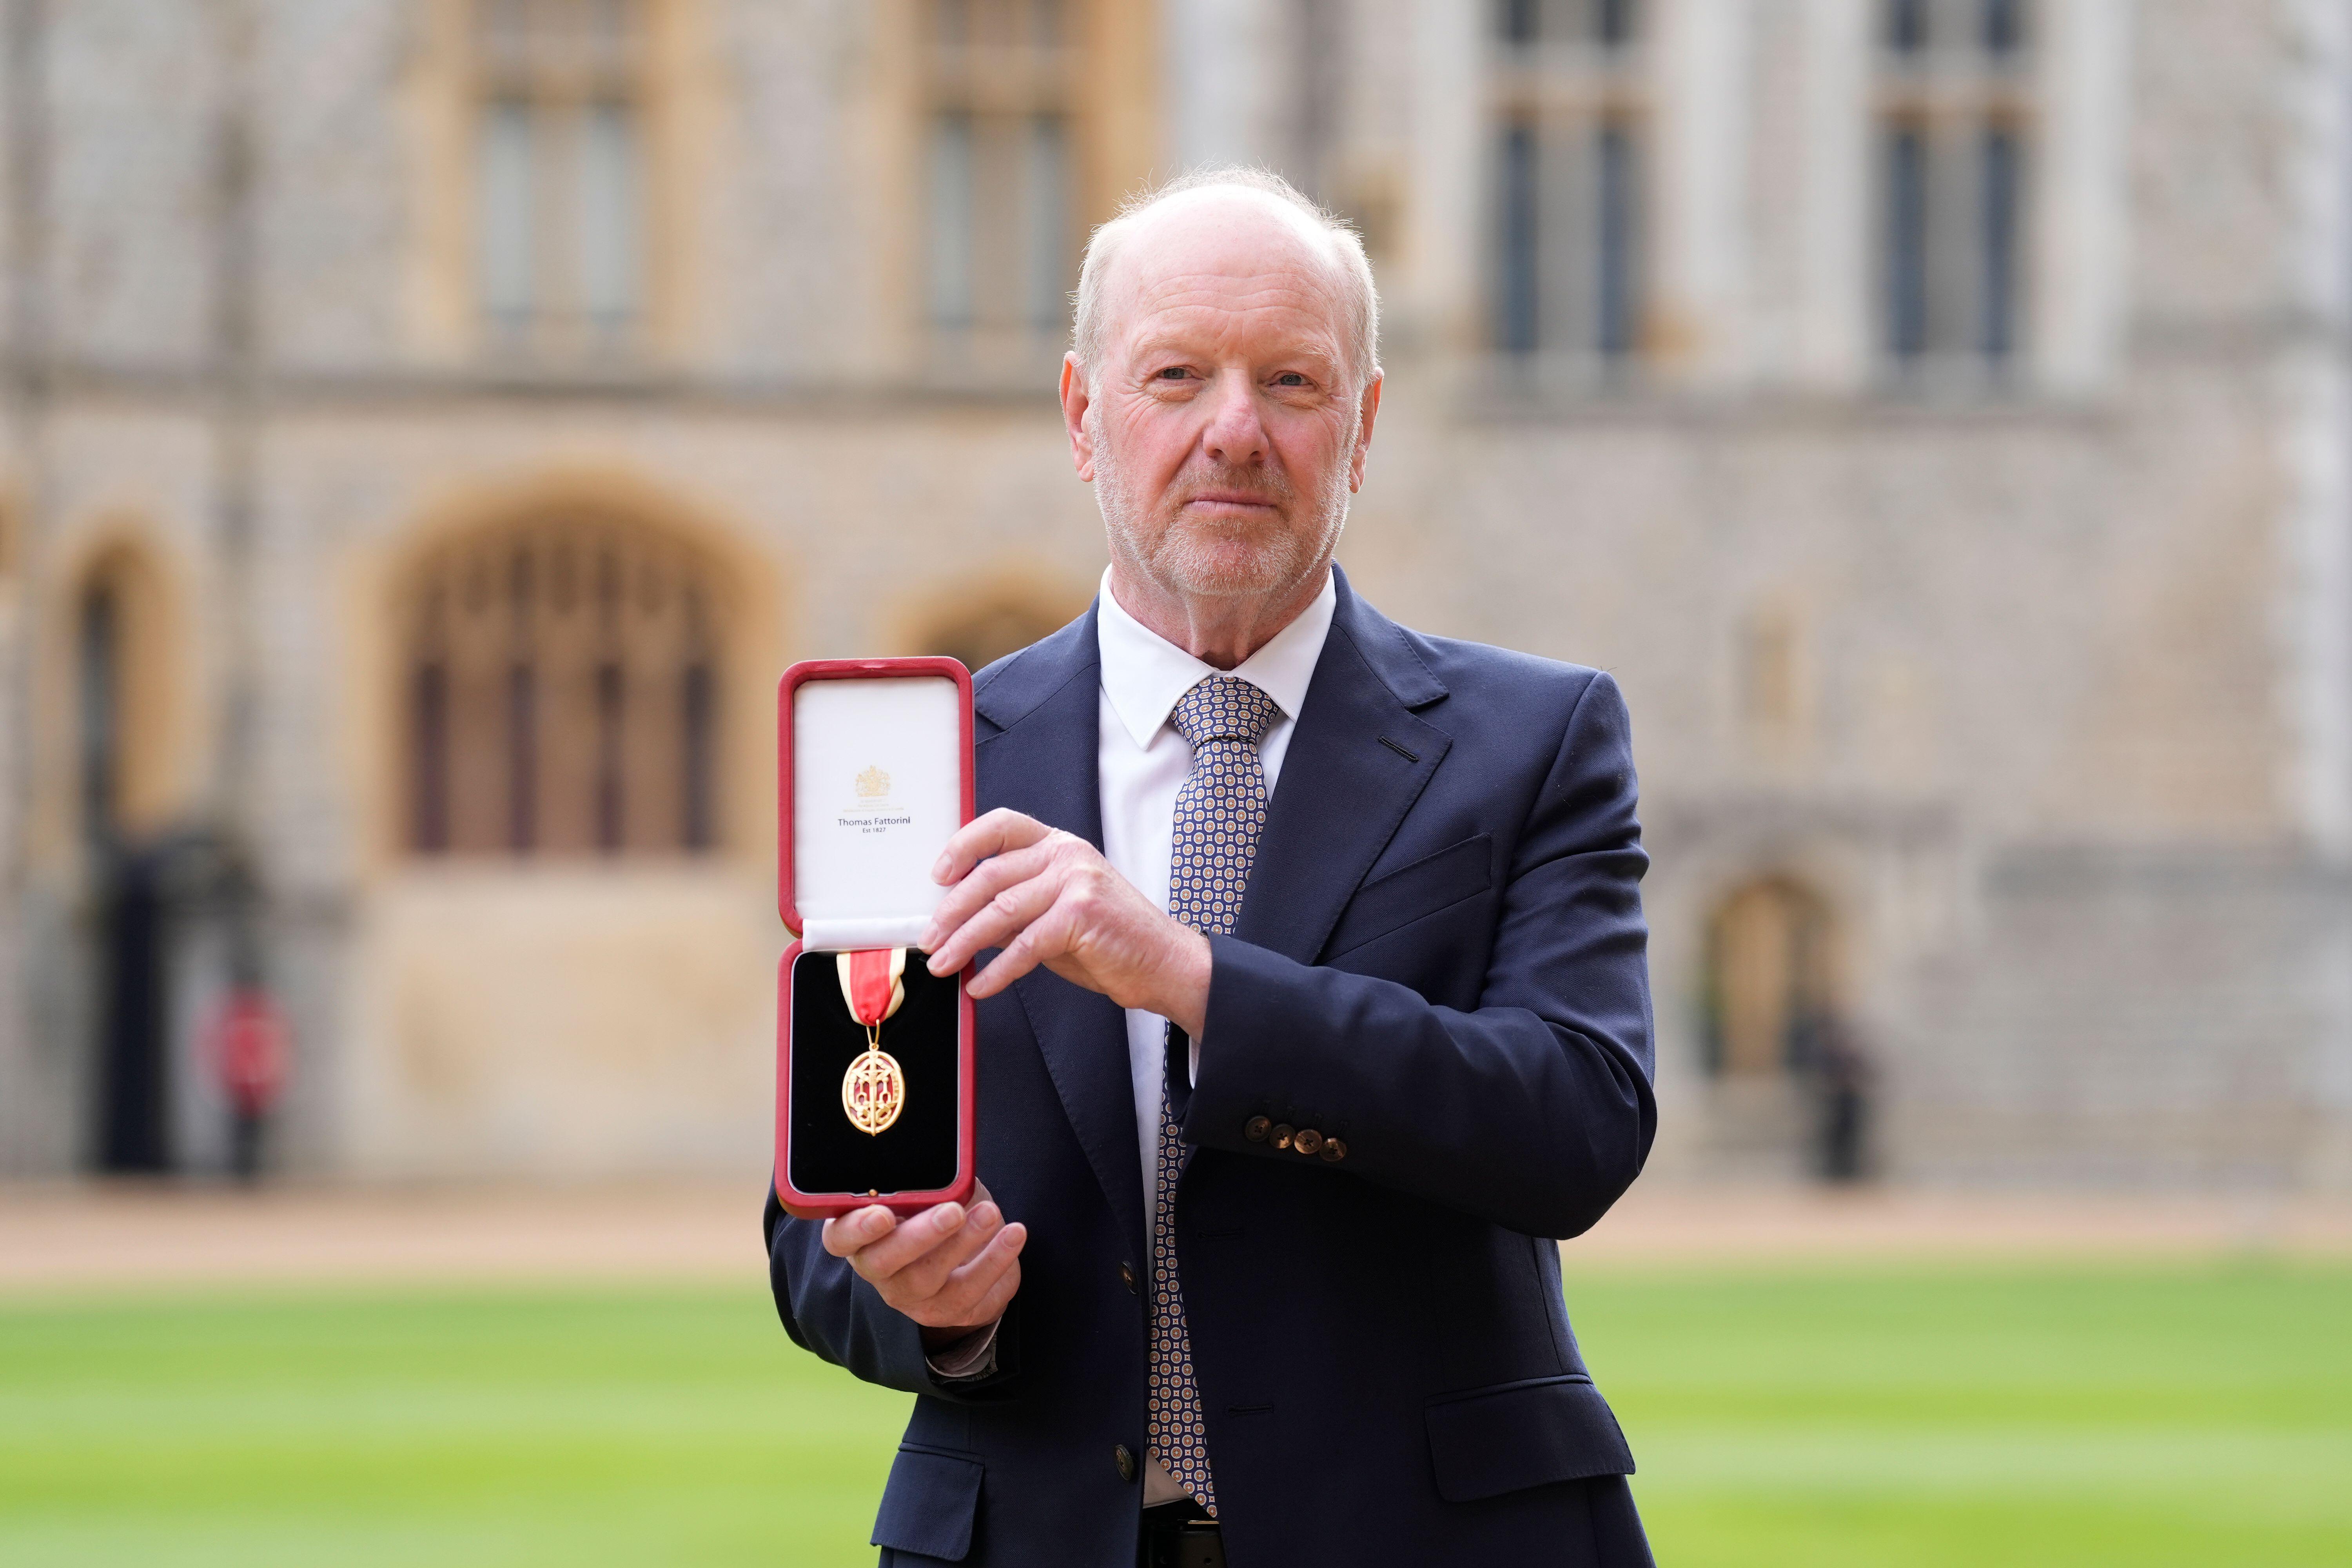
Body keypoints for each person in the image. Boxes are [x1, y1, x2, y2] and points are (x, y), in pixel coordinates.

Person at [765, 167, 1657, 1567]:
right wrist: (935, 1306)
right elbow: (816, 1230)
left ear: (1360, 430)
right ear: (1082, 416)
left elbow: (1579, 1127)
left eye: (1291, 382)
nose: (1233, 430)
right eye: (1175, 375)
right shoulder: (929, 764)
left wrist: (1189, 978)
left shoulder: (1531, 740)